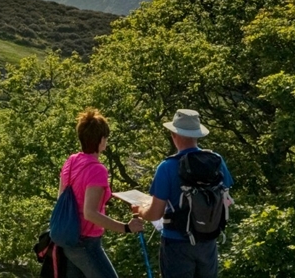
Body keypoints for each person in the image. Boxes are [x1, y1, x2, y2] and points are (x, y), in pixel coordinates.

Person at [133, 109, 234, 278]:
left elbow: (155, 213)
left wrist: (141, 210)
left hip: (176, 243)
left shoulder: (167, 167)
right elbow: (226, 199)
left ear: (174, 135)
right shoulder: (216, 161)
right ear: (197, 135)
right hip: (208, 241)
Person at [58, 108, 144, 278]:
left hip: (68, 240)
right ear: (101, 140)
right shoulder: (97, 170)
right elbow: (90, 213)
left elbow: (61, 198)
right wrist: (126, 228)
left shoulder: (72, 161)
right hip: (86, 243)